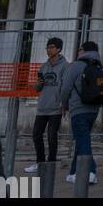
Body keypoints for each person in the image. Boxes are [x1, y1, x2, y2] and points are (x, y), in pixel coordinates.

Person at [60, 40, 103, 185]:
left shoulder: (75, 66)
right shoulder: (100, 66)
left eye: (80, 49)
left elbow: (65, 88)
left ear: (84, 50)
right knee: (81, 139)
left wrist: (64, 104)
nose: (78, 51)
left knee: (82, 140)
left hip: (78, 109)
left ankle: (90, 172)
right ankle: (73, 172)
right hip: (94, 110)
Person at [25, 36, 68, 171]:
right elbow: (39, 87)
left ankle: (51, 163)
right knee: (36, 135)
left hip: (56, 107)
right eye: (47, 47)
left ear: (59, 49)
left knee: (51, 136)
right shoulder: (43, 67)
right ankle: (40, 162)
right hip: (42, 106)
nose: (48, 50)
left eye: (52, 47)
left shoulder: (65, 66)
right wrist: (36, 85)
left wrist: (64, 104)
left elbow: (66, 87)